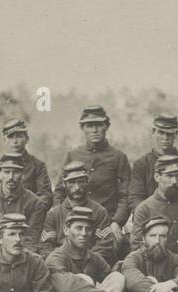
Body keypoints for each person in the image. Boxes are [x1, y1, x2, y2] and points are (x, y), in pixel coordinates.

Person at [45, 204, 130, 292]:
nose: (84, 233)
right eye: (78, 228)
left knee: (117, 277)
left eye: (88, 229)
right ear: (66, 230)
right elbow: (67, 287)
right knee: (83, 280)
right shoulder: (55, 258)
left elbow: (115, 282)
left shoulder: (93, 257)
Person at [52, 106, 132, 249]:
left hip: (105, 223)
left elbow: (125, 196)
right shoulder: (74, 155)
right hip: (75, 221)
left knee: (114, 248)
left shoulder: (118, 157)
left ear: (106, 126)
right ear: (83, 128)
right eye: (89, 126)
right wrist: (61, 218)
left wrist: (116, 222)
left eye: (99, 125)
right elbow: (59, 191)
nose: (94, 130)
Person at [130, 154, 178, 260]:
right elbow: (138, 246)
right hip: (159, 269)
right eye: (169, 176)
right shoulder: (145, 209)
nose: (175, 181)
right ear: (157, 177)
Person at [41, 161, 117, 262]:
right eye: (72, 183)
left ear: (87, 182)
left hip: (91, 264)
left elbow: (104, 247)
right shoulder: (54, 214)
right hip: (61, 264)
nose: (77, 187)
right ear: (64, 184)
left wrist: (86, 264)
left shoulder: (99, 212)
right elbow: (46, 247)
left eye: (81, 182)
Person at [129, 114, 178, 212]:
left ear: (176, 134)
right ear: (153, 132)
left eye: (169, 134)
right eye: (161, 132)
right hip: (149, 216)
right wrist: (150, 216)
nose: (165, 138)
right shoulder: (141, 164)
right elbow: (135, 198)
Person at [0, 117, 53, 220]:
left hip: (28, 218)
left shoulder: (37, 166)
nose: (15, 141)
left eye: (19, 136)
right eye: (11, 137)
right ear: (4, 140)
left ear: (27, 139)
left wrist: (31, 214)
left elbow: (45, 197)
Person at [0, 151, 46, 249]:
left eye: (16, 172)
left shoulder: (35, 203)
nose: (11, 177)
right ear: (0, 174)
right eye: (6, 172)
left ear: (23, 175)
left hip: (21, 251)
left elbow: (31, 239)